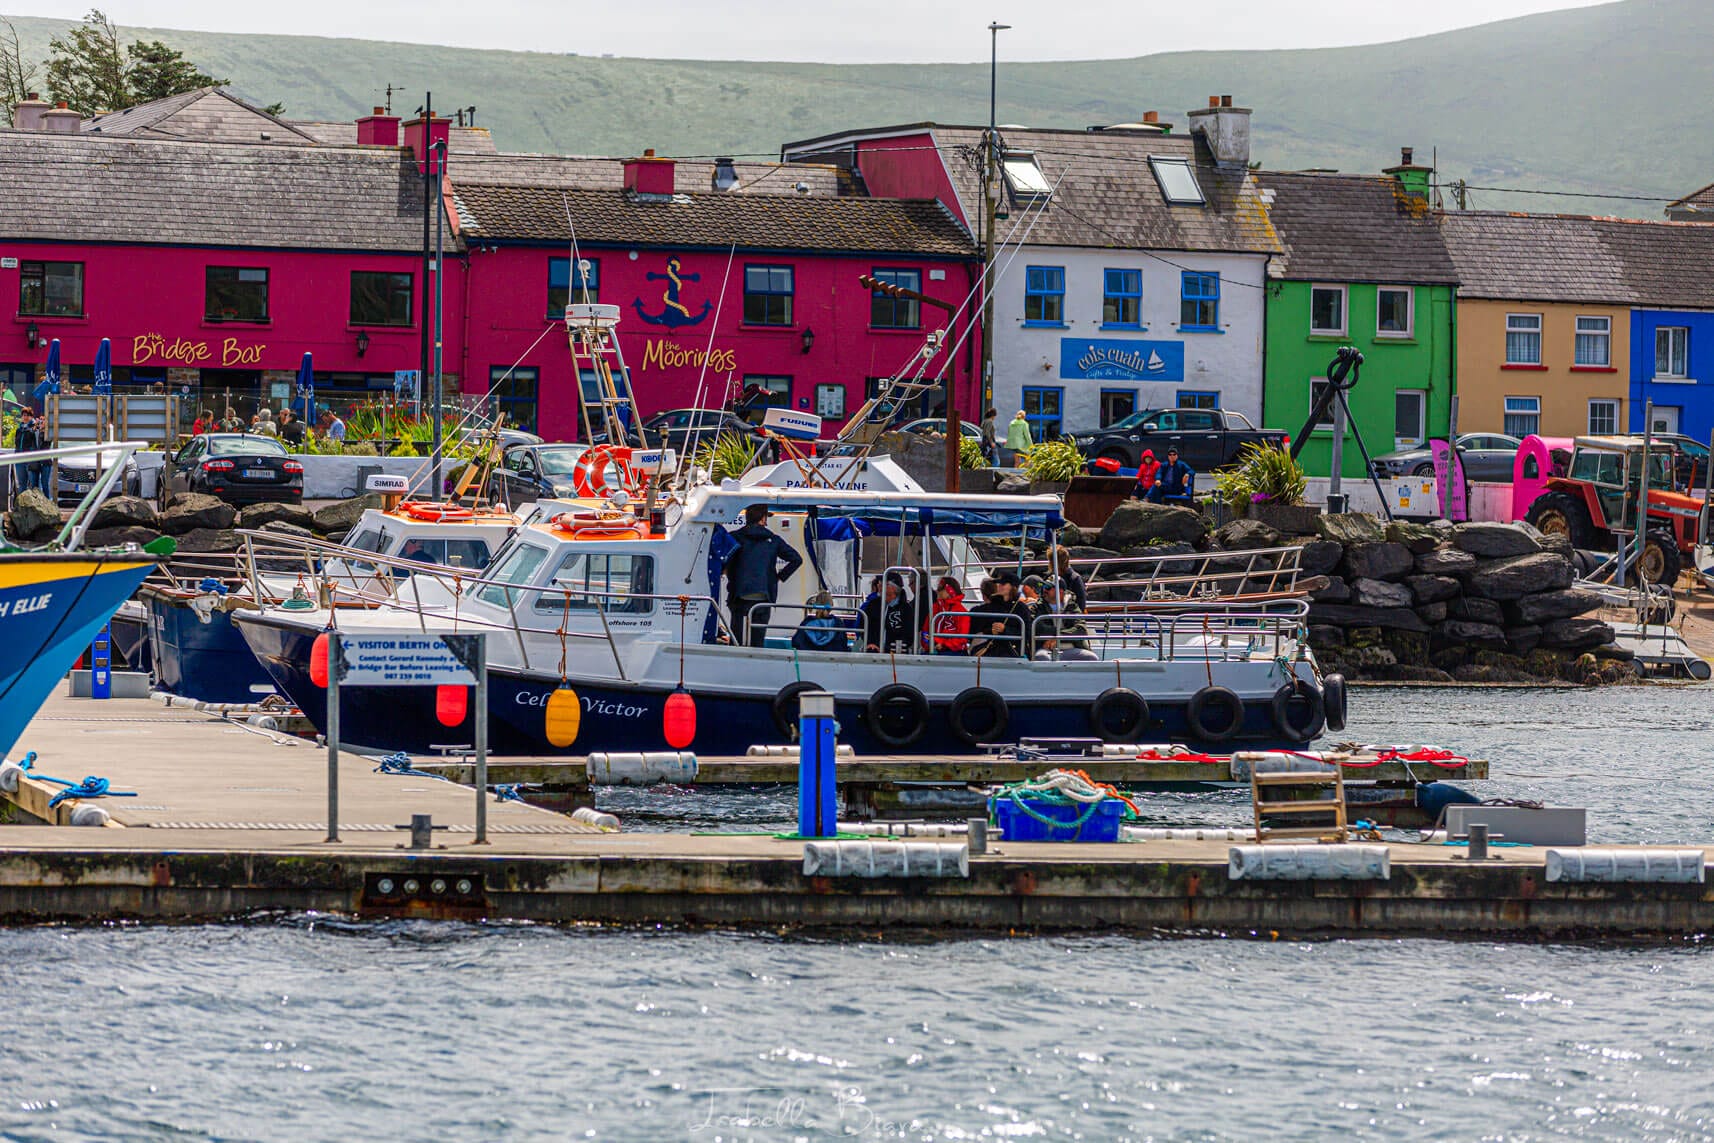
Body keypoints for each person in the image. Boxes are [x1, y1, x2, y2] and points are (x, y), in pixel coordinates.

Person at [722, 504, 803, 647]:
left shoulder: (735, 537)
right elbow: (796, 559)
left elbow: (723, 559)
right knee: (757, 642)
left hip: (739, 596)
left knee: (736, 641)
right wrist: (779, 576)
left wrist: (727, 571)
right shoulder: (774, 540)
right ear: (762, 519)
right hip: (763, 596)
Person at [1033, 580, 1098, 661]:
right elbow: (1039, 628)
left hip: (1071, 648)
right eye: (1043, 587)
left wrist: (1058, 637)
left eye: (1047, 588)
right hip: (1047, 649)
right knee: (1042, 657)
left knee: (1091, 657)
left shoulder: (1072, 607)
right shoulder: (1038, 607)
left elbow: (1080, 629)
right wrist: (1065, 632)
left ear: (1060, 591)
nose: (1044, 590)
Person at [970, 569, 1026, 658]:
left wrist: (1005, 630)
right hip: (992, 649)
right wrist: (991, 631)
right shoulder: (992, 606)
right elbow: (980, 628)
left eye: (1003, 584)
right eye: (999, 583)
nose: (999, 586)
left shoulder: (1021, 608)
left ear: (1013, 587)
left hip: (1011, 651)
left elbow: (1026, 632)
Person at [861, 572, 915, 653]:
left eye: (883, 584)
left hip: (896, 654)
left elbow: (909, 634)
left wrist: (896, 647)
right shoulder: (872, 605)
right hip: (873, 651)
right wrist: (870, 643)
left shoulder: (906, 609)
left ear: (893, 588)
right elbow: (863, 625)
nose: (879, 586)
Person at [923, 575, 969, 655]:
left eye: (940, 588)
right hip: (933, 649)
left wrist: (943, 644)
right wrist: (929, 644)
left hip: (953, 651)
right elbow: (925, 630)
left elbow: (962, 639)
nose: (937, 591)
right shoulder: (935, 608)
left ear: (949, 591)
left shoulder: (961, 612)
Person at [1048, 546, 1089, 612]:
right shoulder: (1049, 577)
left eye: (1050, 561)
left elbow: (1081, 605)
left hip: (1069, 618)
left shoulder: (1075, 579)